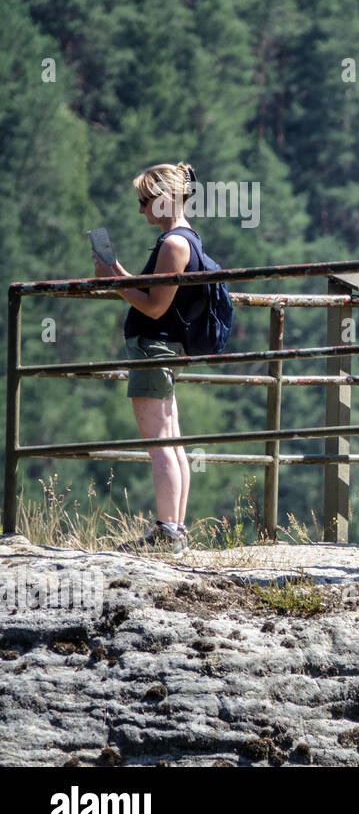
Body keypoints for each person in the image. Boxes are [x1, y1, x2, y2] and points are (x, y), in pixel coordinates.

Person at [93, 161, 204, 553]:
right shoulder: (186, 239)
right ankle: (175, 530)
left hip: (153, 346)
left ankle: (167, 532)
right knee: (172, 441)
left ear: (164, 198)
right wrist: (120, 272)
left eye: (145, 200)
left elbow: (156, 307)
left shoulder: (173, 244)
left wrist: (115, 282)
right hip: (164, 350)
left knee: (159, 443)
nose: (141, 209)